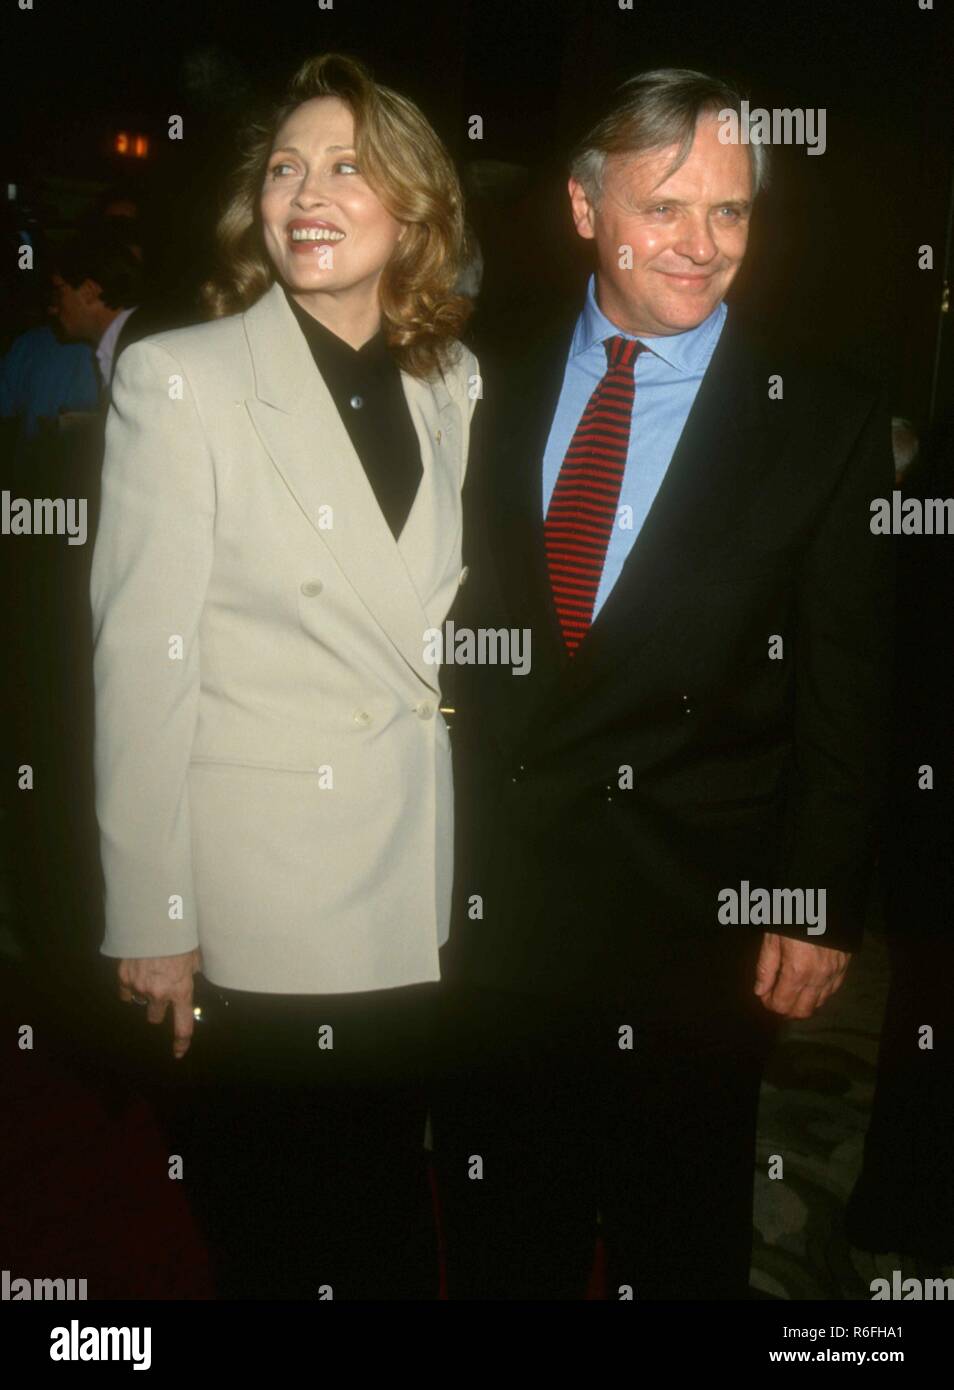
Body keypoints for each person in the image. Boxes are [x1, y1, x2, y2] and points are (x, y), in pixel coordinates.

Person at [434, 67, 894, 1300]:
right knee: (500, 1226)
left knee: (674, 1232)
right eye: (666, 207)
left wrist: (817, 896)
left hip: (695, 911)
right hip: (499, 897)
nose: (702, 246)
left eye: (732, 211)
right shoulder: (480, 383)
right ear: (586, 209)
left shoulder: (822, 421)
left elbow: (849, 684)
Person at [89, 51, 477, 1300]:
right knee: (286, 1226)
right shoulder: (183, 377)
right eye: (283, 167)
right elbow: (142, 661)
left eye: (348, 163)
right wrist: (154, 918)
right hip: (266, 893)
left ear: (414, 207)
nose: (305, 189)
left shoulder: (454, 384)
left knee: (387, 1208)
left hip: (417, 879)